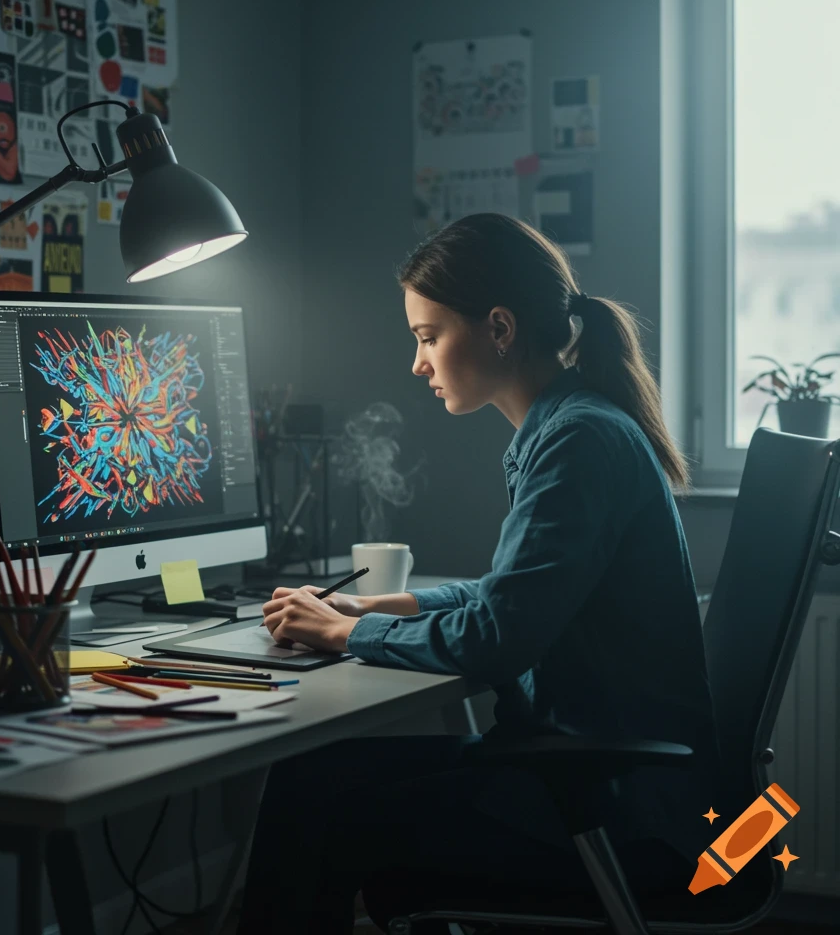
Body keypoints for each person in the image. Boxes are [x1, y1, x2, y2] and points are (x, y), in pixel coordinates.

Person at [237, 213, 725, 934]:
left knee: (314, 800)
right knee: (311, 778)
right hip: (593, 777)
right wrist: (385, 604)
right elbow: (518, 596)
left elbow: (497, 638)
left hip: (606, 806)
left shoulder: (576, 442)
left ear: (499, 328)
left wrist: (347, 633)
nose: (419, 364)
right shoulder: (569, 426)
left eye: (428, 338)